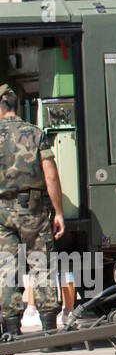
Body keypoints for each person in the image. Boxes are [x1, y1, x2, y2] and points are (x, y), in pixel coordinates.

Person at [0, 84, 65, 337]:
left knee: (7, 267)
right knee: (41, 265)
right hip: (33, 209)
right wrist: (58, 212)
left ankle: (12, 331)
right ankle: (50, 330)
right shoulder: (35, 133)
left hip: (1, 212)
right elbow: (50, 174)